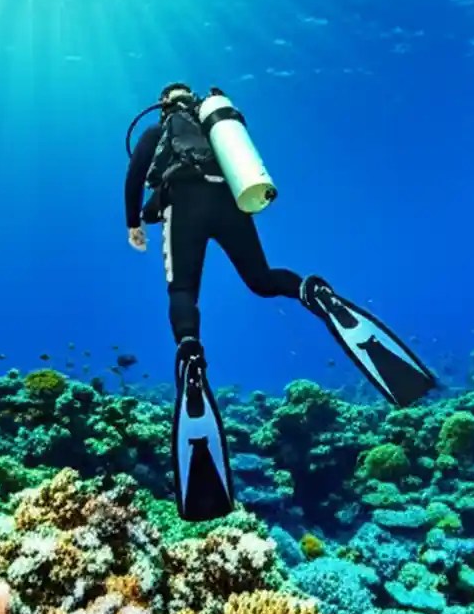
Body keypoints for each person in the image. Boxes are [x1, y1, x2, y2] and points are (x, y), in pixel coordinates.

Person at [123, 82, 438, 522]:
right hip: (231, 200)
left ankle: (191, 356)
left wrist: (133, 222)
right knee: (263, 278)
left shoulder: (160, 133)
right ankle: (316, 293)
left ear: (162, 107)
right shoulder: (215, 133)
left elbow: (137, 175)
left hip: (186, 202)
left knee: (182, 292)